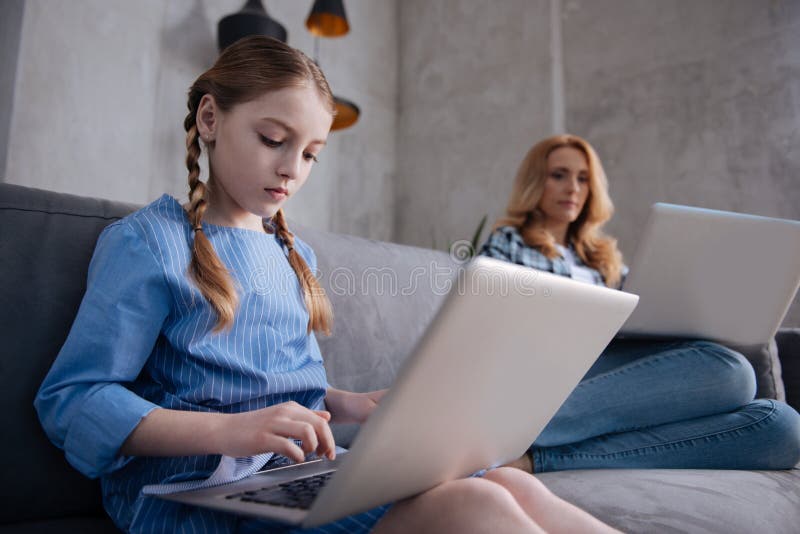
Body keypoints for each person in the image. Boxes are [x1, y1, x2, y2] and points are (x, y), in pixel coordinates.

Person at [34, 39, 619, 533]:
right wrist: (232, 432)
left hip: (285, 477)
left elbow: (285, 383)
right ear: (210, 120)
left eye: (311, 153)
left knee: (507, 482)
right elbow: (74, 399)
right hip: (191, 494)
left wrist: (348, 403)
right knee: (478, 504)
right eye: (273, 140)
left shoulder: (294, 253)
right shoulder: (150, 243)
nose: (293, 168)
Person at [480, 134, 800, 474]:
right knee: (732, 373)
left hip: (624, 371)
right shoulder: (507, 245)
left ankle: (536, 459)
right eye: (559, 175)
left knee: (781, 427)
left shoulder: (606, 262)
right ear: (535, 182)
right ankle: (505, 430)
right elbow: (488, 326)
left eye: (583, 178)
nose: (573, 187)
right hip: (557, 370)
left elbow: (644, 316)